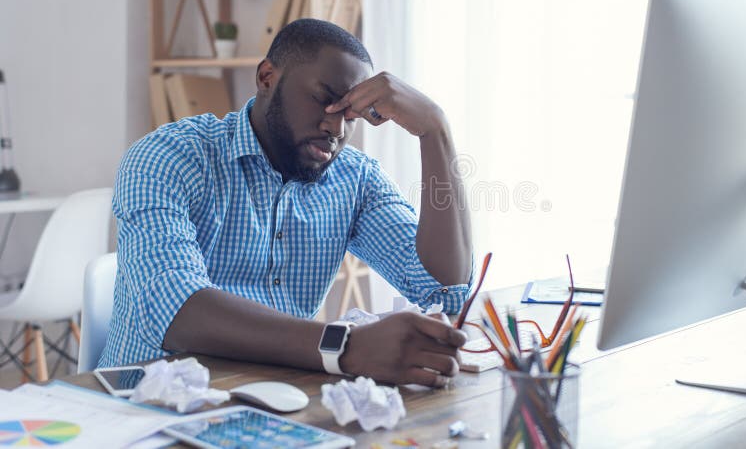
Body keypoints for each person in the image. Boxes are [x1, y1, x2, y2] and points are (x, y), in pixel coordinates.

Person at [98, 19, 473, 387]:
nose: (336, 128)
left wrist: (434, 130)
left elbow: (442, 286)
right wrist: (344, 347)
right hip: (141, 411)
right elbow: (174, 310)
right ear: (266, 78)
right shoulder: (166, 157)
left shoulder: (354, 179)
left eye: (350, 115)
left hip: (274, 405)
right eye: (325, 100)